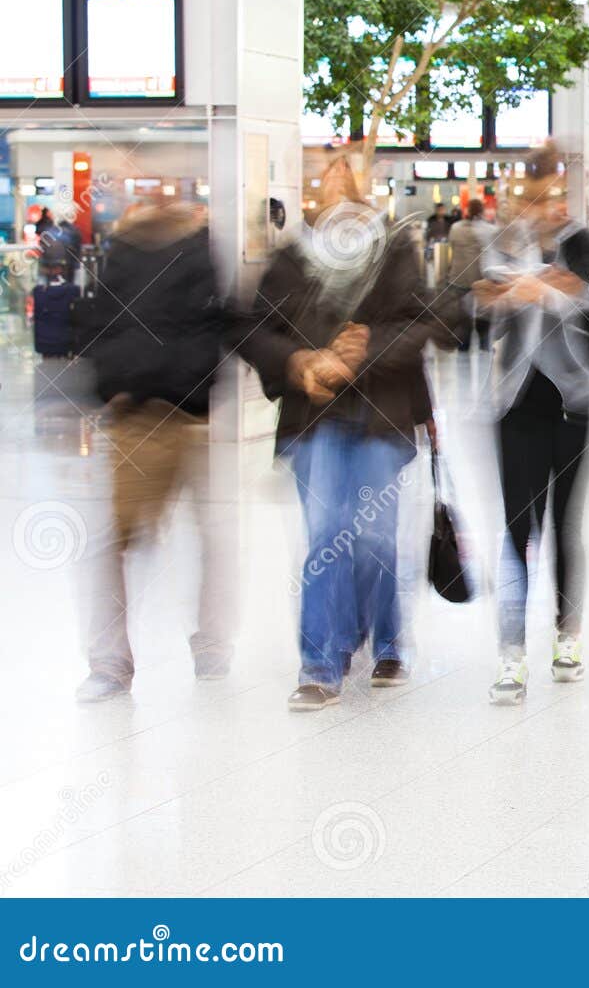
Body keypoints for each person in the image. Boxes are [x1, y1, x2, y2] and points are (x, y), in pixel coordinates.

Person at [235, 154, 435, 711]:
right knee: (326, 535)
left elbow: (421, 322)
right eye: (328, 173)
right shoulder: (292, 257)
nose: (338, 180)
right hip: (313, 417)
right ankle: (320, 662)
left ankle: (387, 640)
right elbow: (254, 329)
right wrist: (300, 360)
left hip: (381, 417)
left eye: (351, 172)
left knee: (373, 539)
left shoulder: (393, 249)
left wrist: (360, 354)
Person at [73, 201, 232, 702]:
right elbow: (100, 325)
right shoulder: (125, 254)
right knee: (121, 540)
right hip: (142, 416)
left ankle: (206, 644)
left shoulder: (196, 251)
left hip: (183, 414)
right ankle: (113, 663)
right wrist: (117, 387)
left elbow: (216, 324)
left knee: (210, 534)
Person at [477, 147, 589, 702]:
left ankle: (568, 634)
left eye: (550, 193)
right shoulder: (501, 243)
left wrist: (557, 294)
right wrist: (500, 299)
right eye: (530, 194)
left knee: (565, 522)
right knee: (517, 526)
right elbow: (480, 312)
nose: (541, 204)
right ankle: (510, 652)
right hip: (514, 402)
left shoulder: (584, 243)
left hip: (574, 402)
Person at [447, 197, 494, 351]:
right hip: (481, 278)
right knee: (484, 314)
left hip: (459, 277)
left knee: (462, 316)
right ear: (482, 211)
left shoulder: (455, 228)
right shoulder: (489, 230)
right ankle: (484, 344)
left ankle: (463, 345)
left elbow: (451, 247)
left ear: (467, 210)